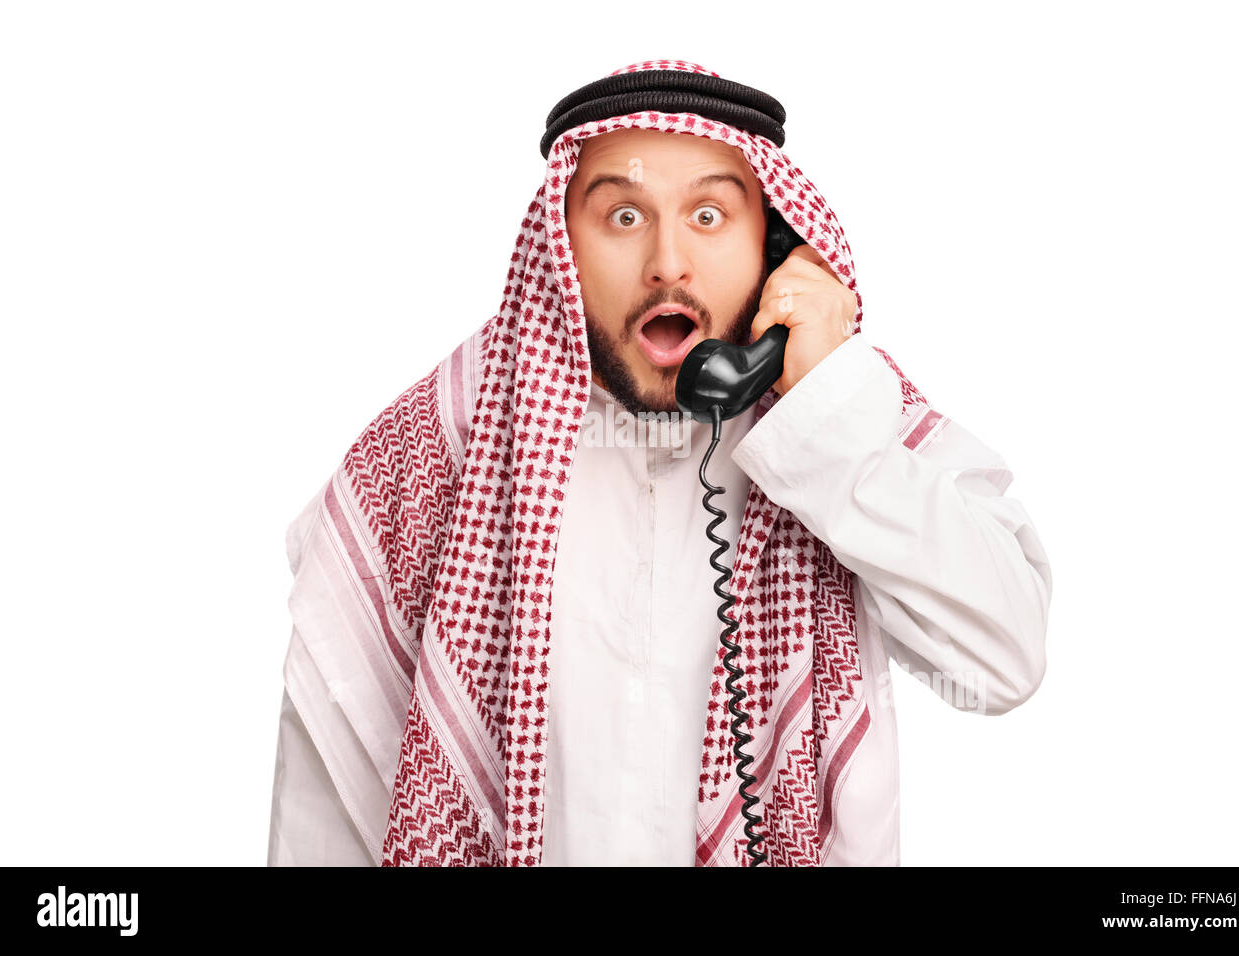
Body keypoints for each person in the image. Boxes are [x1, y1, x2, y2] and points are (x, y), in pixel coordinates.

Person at [266, 59, 1052, 867]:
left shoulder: (849, 419)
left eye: (709, 216)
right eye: (624, 218)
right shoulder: (424, 460)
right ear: (558, 250)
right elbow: (322, 818)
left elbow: (1004, 660)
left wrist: (828, 420)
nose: (668, 262)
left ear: (774, 246)